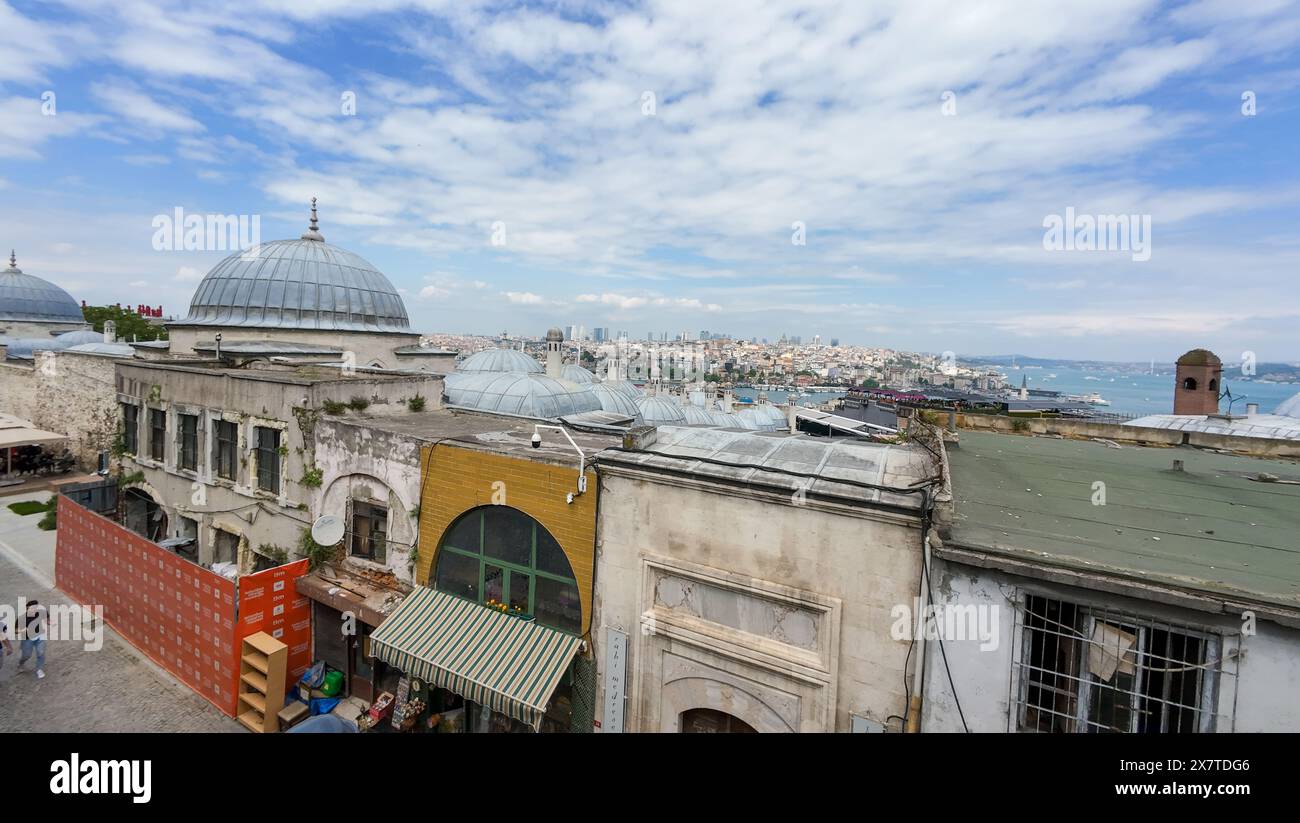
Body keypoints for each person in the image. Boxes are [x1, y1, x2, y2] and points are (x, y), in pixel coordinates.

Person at [18, 599, 48, 679]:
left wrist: (50, 622)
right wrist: (22, 630)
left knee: (41, 653)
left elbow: (46, 618)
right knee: (27, 655)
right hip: (27, 639)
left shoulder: (41, 612)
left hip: (40, 636)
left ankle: (39, 669)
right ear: (28, 608)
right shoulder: (22, 618)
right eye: (32, 608)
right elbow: (16, 630)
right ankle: (21, 663)